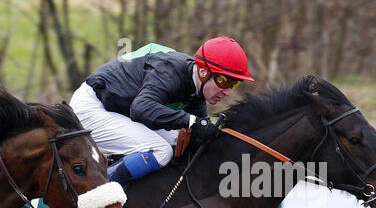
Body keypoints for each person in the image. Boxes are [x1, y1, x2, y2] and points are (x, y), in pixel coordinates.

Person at [69, 36, 253, 185]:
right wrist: (191, 122)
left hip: (119, 109)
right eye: (224, 81)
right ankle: (98, 190)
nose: (227, 91)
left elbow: (199, 133)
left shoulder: (196, 89)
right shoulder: (170, 72)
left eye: (234, 83)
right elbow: (141, 109)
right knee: (161, 151)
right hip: (92, 107)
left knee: (179, 143)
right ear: (204, 72)